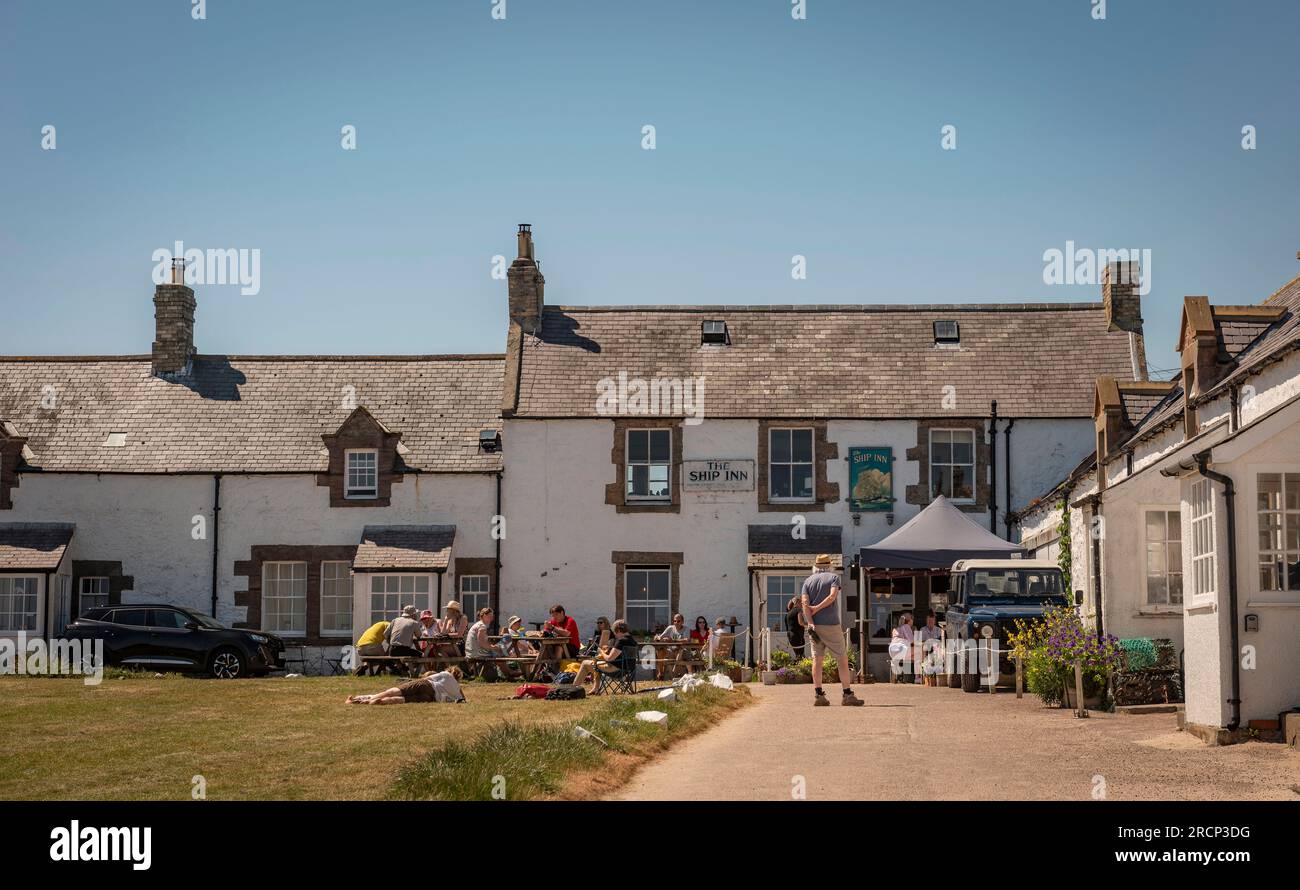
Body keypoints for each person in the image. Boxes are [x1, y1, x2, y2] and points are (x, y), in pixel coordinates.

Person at [801, 554, 863, 707]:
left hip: (814, 626)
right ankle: (847, 694)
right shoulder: (834, 577)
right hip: (831, 624)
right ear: (829, 565)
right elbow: (832, 596)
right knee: (842, 659)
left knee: (817, 659)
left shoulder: (807, 581)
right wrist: (817, 608)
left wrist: (810, 622)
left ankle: (818, 695)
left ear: (815, 566)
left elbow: (804, 603)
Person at [570, 619, 638, 690]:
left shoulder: (621, 641)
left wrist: (601, 651)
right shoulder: (633, 641)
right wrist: (610, 648)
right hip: (628, 670)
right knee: (596, 663)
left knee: (585, 663)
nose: (615, 635)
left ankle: (574, 688)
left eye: (615, 632)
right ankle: (595, 688)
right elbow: (620, 653)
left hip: (615, 670)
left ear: (618, 630)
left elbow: (609, 658)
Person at [345, 666, 466, 705]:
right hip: (431, 698)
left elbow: (427, 678)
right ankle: (378, 701)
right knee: (400, 700)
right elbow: (463, 699)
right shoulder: (456, 691)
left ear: (450, 671)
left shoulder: (446, 674)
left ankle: (362, 699)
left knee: (392, 691)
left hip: (426, 685)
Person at [466, 607, 516, 681]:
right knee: (506, 641)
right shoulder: (482, 626)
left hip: (473, 652)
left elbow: (482, 642)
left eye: (492, 616)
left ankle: (509, 673)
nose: (491, 618)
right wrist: (494, 648)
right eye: (489, 616)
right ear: (483, 616)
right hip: (477, 653)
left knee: (500, 650)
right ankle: (509, 674)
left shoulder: (478, 624)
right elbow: (482, 643)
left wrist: (493, 647)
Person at [654, 613, 688, 679]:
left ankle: (673, 675)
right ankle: (661, 674)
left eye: (678, 621)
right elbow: (660, 637)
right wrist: (657, 638)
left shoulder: (686, 629)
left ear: (682, 622)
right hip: (670, 650)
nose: (676, 623)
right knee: (660, 651)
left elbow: (686, 640)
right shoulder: (670, 628)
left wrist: (673, 640)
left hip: (680, 651)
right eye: (675, 621)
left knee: (672, 653)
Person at [889, 611, 916, 683]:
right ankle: (915, 677)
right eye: (912, 619)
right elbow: (912, 641)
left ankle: (898, 675)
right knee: (918, 653)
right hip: (901, 648)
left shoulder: (896, 629)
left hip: (892, 650)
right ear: (909, 621)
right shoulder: (906, 626)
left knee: (908, 655)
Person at [919, 610, 943, 686]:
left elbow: (941, 642)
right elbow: (920, 642)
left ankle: (937, 673)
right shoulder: (922, 630)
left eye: (932, 620)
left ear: (934, 621)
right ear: (926, 620)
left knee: (938, 648)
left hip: (936, 650)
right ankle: (927, 673)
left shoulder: (939, 630)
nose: (930, 622)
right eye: (929, 620)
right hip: (926, 649)